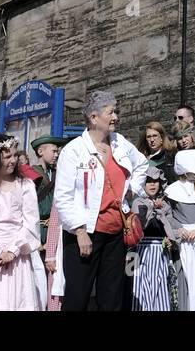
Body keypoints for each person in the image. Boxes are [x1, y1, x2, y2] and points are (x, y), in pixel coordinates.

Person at [53, 89, 147, 311]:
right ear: (94, 118)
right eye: (111, 112)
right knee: (77, 297)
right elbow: (63, 198)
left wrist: (131, 189)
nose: (116, 117)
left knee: (112, 298)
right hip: (84, 236)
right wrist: (80, 231)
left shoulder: (120, 142)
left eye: (116, 112)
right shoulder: (73, 151)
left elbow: (142, 164)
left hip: (115, 234)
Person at [0, 135, 40, 310]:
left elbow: (31, 221)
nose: (13, 160)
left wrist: (13, 250)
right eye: (7, 157)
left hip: (17, 252)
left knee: (18, 299)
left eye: (14, 155)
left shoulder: (25, 185)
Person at [158, 148, 195, 311]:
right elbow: (168, 215)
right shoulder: (172, 191)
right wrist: (179, 230)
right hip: (183, 241)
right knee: (188, 280)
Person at [131, 166, 172, 311]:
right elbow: (139, 225)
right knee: (140, 285)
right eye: (149, 181)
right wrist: (151, 208)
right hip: (141, 250)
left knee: (159, 285)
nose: (153, 184)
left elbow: (170, 226)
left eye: (156, 181)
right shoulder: (138, 202)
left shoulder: (165, 205)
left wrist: (170, 239)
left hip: (160, 251)